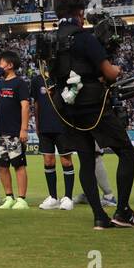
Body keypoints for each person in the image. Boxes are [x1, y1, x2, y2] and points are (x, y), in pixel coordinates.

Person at [47, 0, 134, 230]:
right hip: (93, 104)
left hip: (66, 107)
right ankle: (122, 212)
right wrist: (116, 70)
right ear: (80, 13)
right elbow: (109, 73)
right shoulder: (84, 38)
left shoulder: (50, 39)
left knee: (86, 159)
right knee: (127, 152)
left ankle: (99, 216)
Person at [30, 63, 75, 210]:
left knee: (66, 162)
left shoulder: (64, 78)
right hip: (45, 127)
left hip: (63, 126)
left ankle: (68, 197)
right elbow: (36, 103)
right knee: (48, 161)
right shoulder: (37, 80)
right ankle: (53, 197)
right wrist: (37, 124)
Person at [0, 51, 30, 209]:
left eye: (1, 63)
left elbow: (25, 106)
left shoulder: (20, 83)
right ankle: (9, 197)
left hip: (14, 131)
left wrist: (24, 129)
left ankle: (22, 199)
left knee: (18, 165)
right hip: (0, 132)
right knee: (1, 165)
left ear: (10, 65)